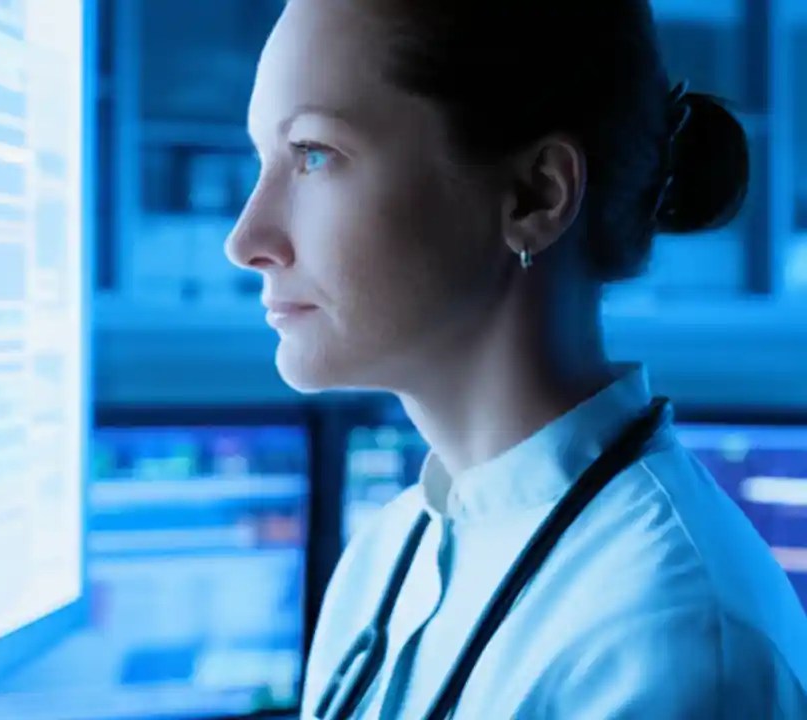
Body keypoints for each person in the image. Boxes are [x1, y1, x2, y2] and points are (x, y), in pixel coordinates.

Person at [223, 0, 807, 717]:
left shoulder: (673, 643)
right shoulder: (385, 555)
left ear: (536, 195)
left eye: (315, 154)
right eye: (263, 159)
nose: (248, 237)